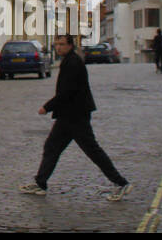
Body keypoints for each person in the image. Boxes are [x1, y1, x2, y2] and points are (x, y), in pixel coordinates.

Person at [20, 33, 130, 200]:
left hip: (76, 116)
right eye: (57, 44)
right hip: (68, 116)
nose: (58, 47)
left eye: (62, 44)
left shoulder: (73, 63)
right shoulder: (69, 61)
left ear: (70, 45)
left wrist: (47, 107)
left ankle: (121, 183)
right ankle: (40, 183)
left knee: (93, 151)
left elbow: (66, 93)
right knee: (52, 148)